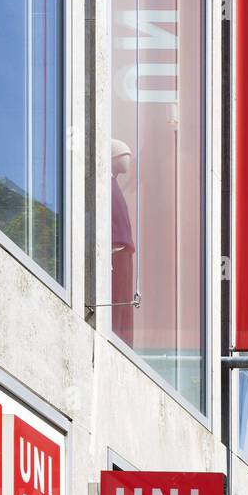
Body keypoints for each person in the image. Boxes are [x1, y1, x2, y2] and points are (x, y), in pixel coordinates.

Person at [111, 139, 136, 346]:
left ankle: (123, 340)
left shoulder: (113, 186)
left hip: (122, 251)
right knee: (118, 300)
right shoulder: (107, 186)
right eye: (124, 156)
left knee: (124, 304)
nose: (129, 161)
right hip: (116, 252)